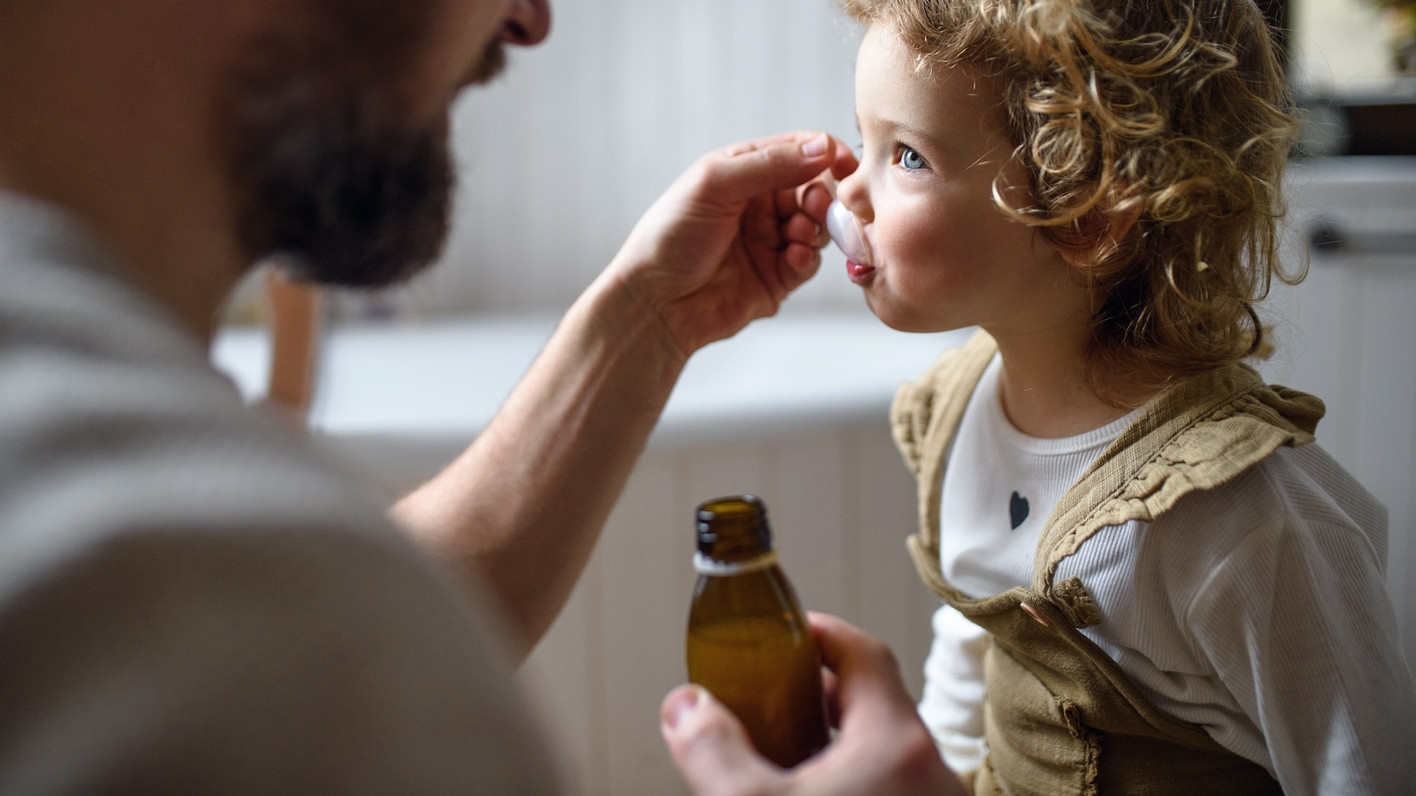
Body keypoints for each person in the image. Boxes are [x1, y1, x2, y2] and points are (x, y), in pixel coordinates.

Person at [0, 0, 961, 792]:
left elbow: (342, 647)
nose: (531, 19)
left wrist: (650, 321)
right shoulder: (191, 591)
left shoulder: (212, 604)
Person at [826, 0, 1416, 793]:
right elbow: (975, 648)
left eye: (905, 156)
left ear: (1089, 213)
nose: (846, 192)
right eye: (863, 140)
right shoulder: (961, 407)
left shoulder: (1241, 523)